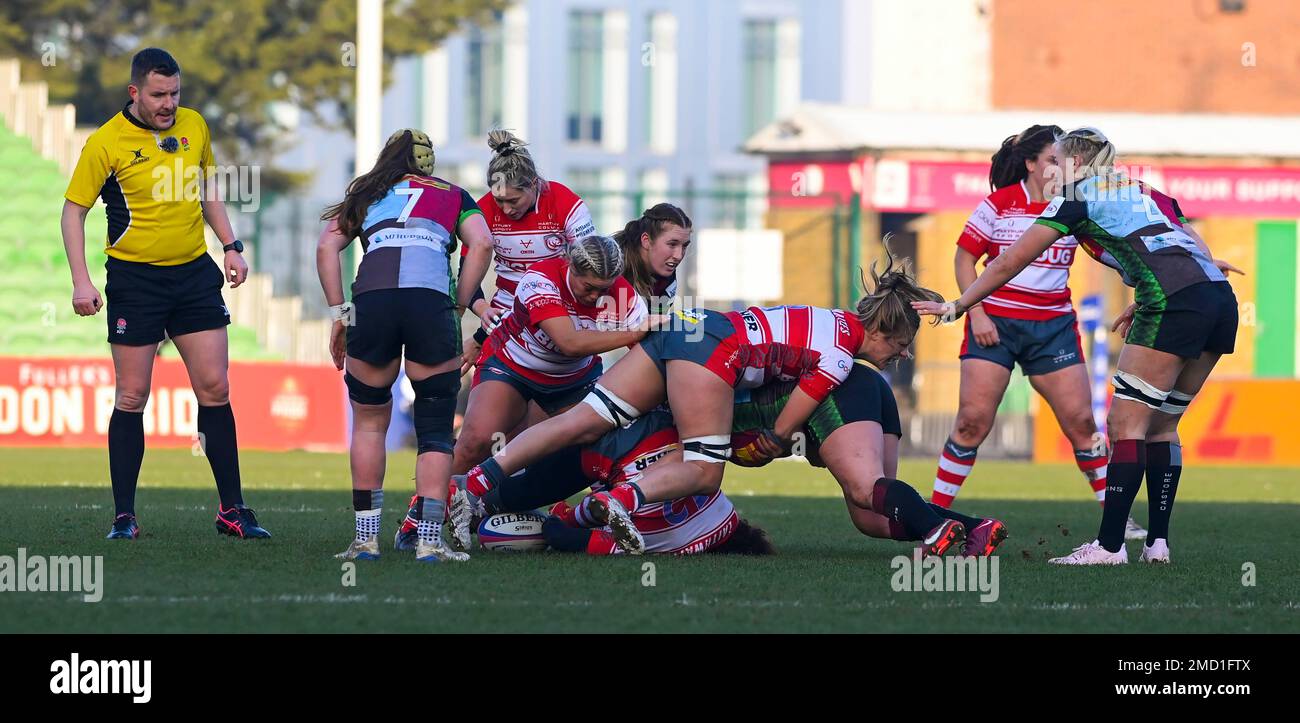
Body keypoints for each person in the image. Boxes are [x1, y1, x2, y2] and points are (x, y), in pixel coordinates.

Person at [455, 243, 968, 557]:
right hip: (712, 351)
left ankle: (472, 485)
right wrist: (770, 440)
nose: (900, 356)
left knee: (581, 423)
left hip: (687, 329)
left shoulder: (828, 317)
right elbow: (787, 424)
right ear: (882, 331)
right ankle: (613, 504)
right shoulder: (840, 354)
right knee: (703, 472)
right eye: (901, 345)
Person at [914, 127, 1243, 565]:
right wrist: (1173, 288)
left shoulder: (1077, 198)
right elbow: (1187, 247)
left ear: (1073, 163)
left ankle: (1108, 548)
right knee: (1162, 426)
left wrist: (958, 304)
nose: (1054, 169)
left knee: (1126, 427)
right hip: (1217, 298)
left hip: (1173, 303)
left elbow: (1011, 260)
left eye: (1058, 160)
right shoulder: (1145, 189)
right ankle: (1157, 545)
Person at [62, 47, 269, 540]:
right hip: (136, 280)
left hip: (194, 274)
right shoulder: (106, 142)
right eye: (158, 94)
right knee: (132, 395)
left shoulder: (194, 126)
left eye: (175, 93)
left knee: (215, 388)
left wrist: (231, 246)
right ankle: (124, 517)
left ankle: (232, 510)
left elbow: (207, 192)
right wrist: (81, 280)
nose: (168, 103)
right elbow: (74, 212)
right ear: (135, 92)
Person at [933, 124, 1146, 540]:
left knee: (1084, 423)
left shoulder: (1077, 206)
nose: (1062, 166)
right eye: (1053, 159)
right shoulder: (999, 204)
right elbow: (964, 259)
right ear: (1031, 164)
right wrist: (975, 313)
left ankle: (1119, 521)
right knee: (971, 423)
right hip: (994, 326)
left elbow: (1115, 254)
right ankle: (930, 515)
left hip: (1053, 330)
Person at [317, 128, 492, 563]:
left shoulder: (366, 192)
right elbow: (483, 242)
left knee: (369, 424)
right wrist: (460, 302)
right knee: (434, 431)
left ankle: (365, 541)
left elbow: (326, 247)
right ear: (426, 161)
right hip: (430, 302)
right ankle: (430, 542)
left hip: (371, 303)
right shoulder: (453, 194)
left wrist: (340, 313)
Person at [456, 409, 773, 556]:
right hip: (607, 458)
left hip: (656, 420)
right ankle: (475, 498)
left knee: (559, 427)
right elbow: (582, 535)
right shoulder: (662, 541)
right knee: (551, 448)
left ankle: (468, 494)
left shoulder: (720, 507)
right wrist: (554, 526)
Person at [460, 130, 597, 372]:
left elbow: (589, 268)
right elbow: (466, 272)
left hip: (559, 310)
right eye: (499, 201)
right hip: (506, 316)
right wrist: (483, 312)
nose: (506, 209)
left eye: (513, 200)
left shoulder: (564, 202)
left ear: (534, 185)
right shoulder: (484, 209)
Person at [612, 203, 692, 313]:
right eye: (672, 244)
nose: (679, 256)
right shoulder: (610, 267)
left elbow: (654, 326)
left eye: (684, 246)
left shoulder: (666, 276)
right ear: (646, 241)